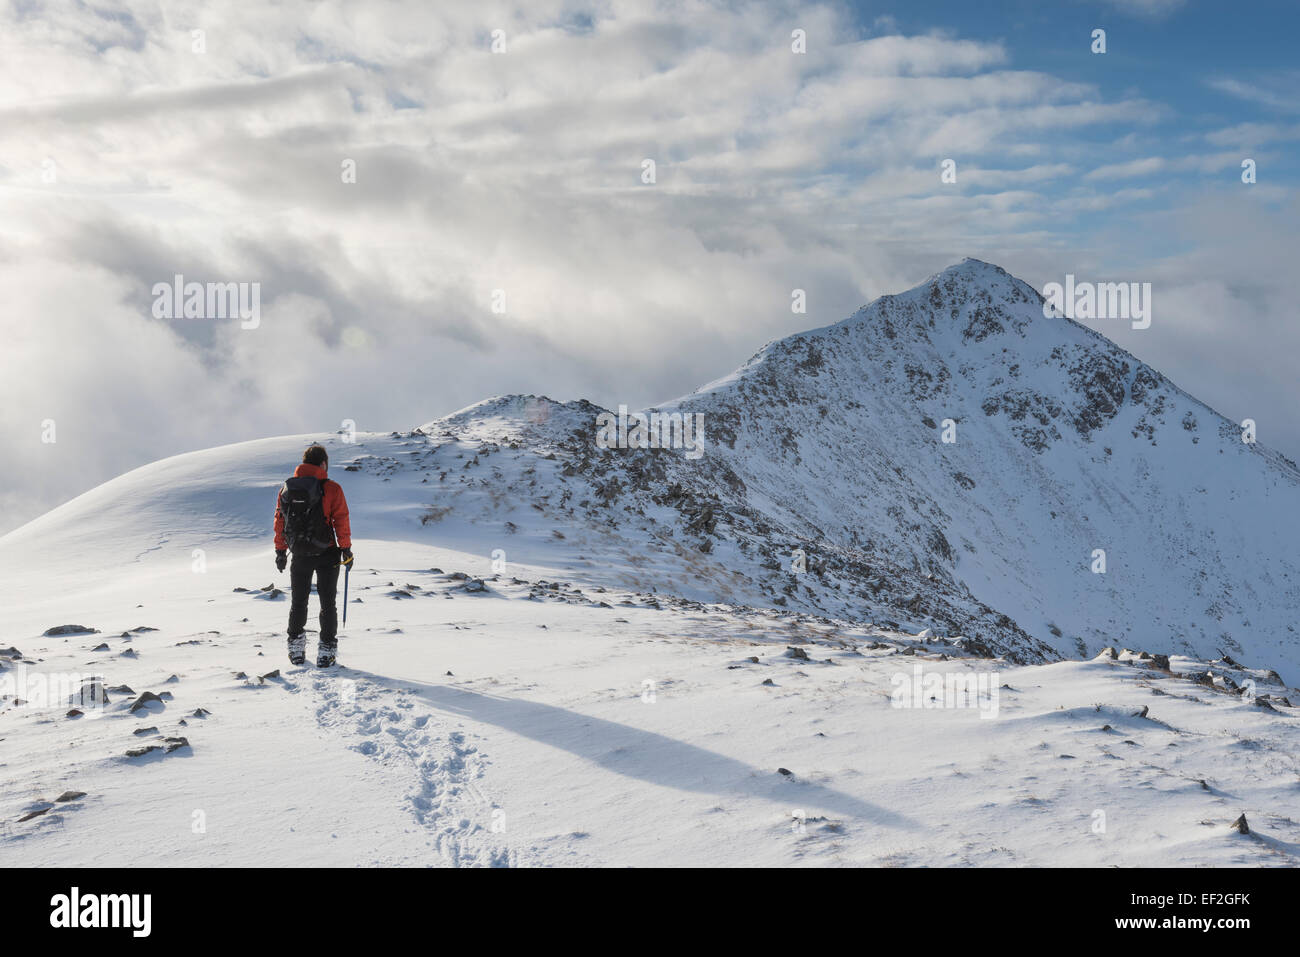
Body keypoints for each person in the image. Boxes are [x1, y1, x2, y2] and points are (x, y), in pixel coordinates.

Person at [273, 444, 353, 666]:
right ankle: (326, 649)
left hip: (299, 552)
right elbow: (341, 520)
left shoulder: (286, 489)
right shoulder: (332, 488)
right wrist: (346, 548)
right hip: (327, 552)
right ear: (324, 464)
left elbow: (280, 521)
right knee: (328, 603)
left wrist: (280, 551)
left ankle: (295, 646)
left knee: (299, 601)